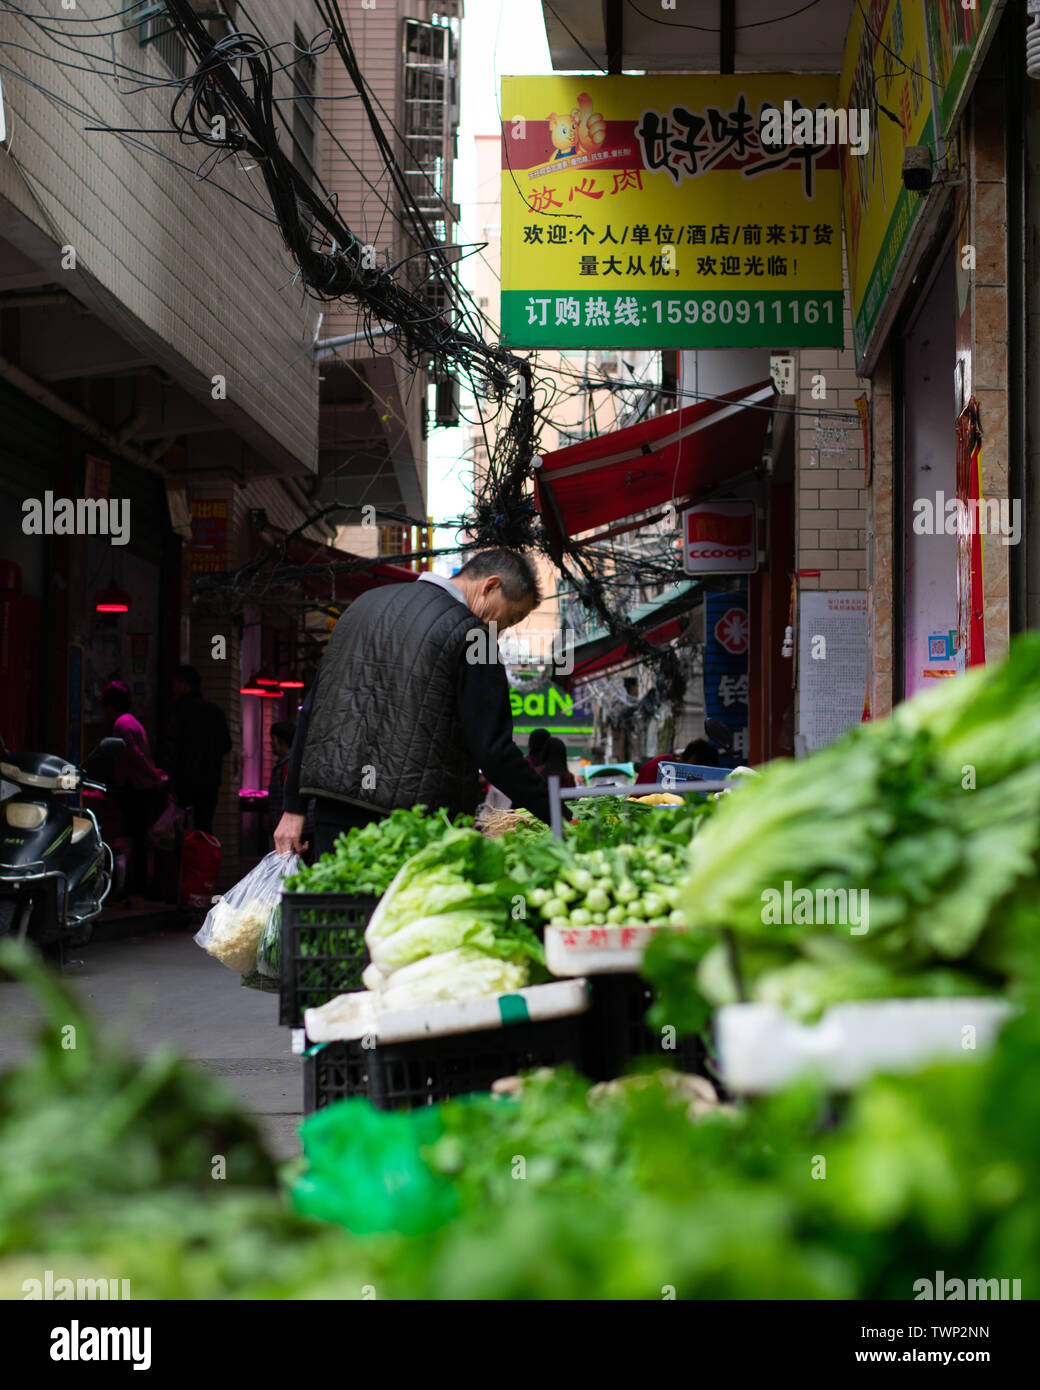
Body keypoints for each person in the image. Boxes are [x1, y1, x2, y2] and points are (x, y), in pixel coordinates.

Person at [275, 549, 562, 858]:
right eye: (509, 617)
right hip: (414, 829)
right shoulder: (474, 636)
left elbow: (314, 711)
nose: (501, 629)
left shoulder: (362, 607)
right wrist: (559, 814)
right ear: (491, 585)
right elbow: (494, 752)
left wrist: (293, 807)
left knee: (344, 901)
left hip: (334, 817)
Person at [101, 680, 164, 899]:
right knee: (138, 838)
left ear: (110, 706)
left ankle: (133, 888)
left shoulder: (121, 724)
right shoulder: (133, 721)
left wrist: (151, 774)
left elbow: (134, 755)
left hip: (135, 788)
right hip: (142, 786)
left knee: (133, 838)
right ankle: (135, 887)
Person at [163, 664, 232, 835]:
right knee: (203, 831)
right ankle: (203, 861)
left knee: (180, 834)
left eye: (175, 684)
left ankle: (185, 862)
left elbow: (171, 749)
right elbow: (227, 745)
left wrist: (168, 780)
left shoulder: (179, 712)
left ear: (183, 684)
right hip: (209, 784)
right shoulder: (215, 712)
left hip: (183, 785)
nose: (173, 690)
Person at [267, 721, 295, 836]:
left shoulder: (287, 765)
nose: (270, 743)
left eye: (273, 739)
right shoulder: (287, 763)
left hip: (288, 827)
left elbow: (290, 796)